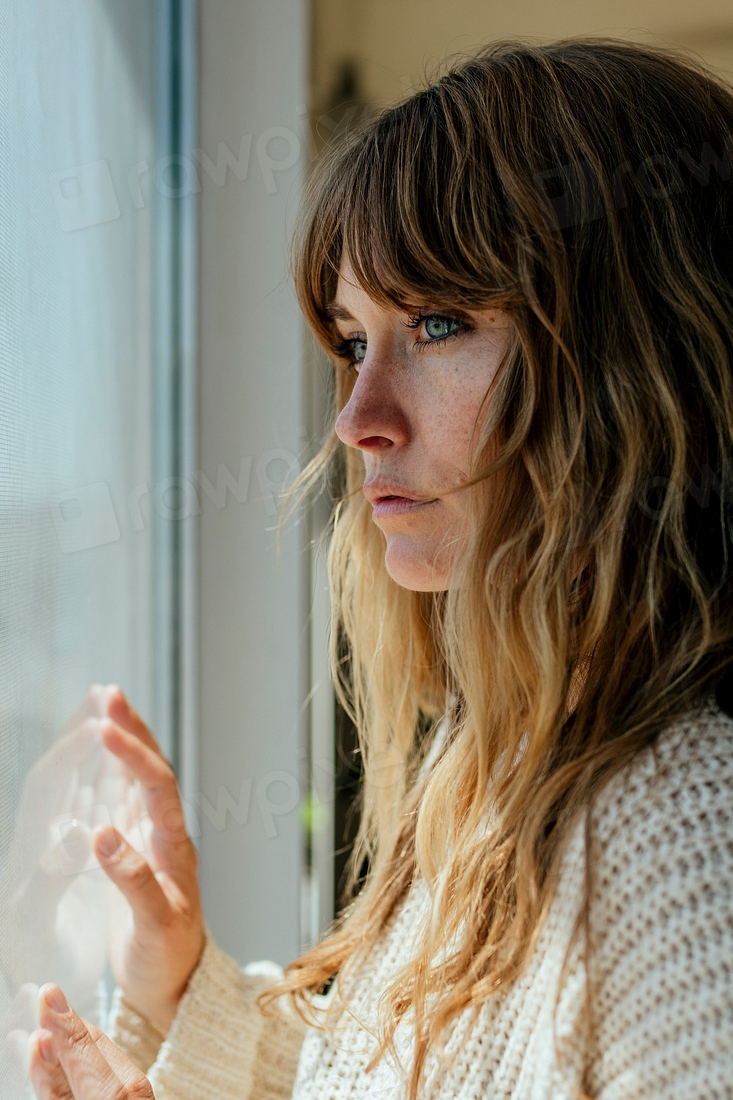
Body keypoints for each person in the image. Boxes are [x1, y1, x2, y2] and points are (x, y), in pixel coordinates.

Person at [28, 37, 733, 1100]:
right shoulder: (496, 761)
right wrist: (183, 988)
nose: (358, 419)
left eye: (439, 323)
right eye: (354, 341)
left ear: (637, 367)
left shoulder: (685, 838)